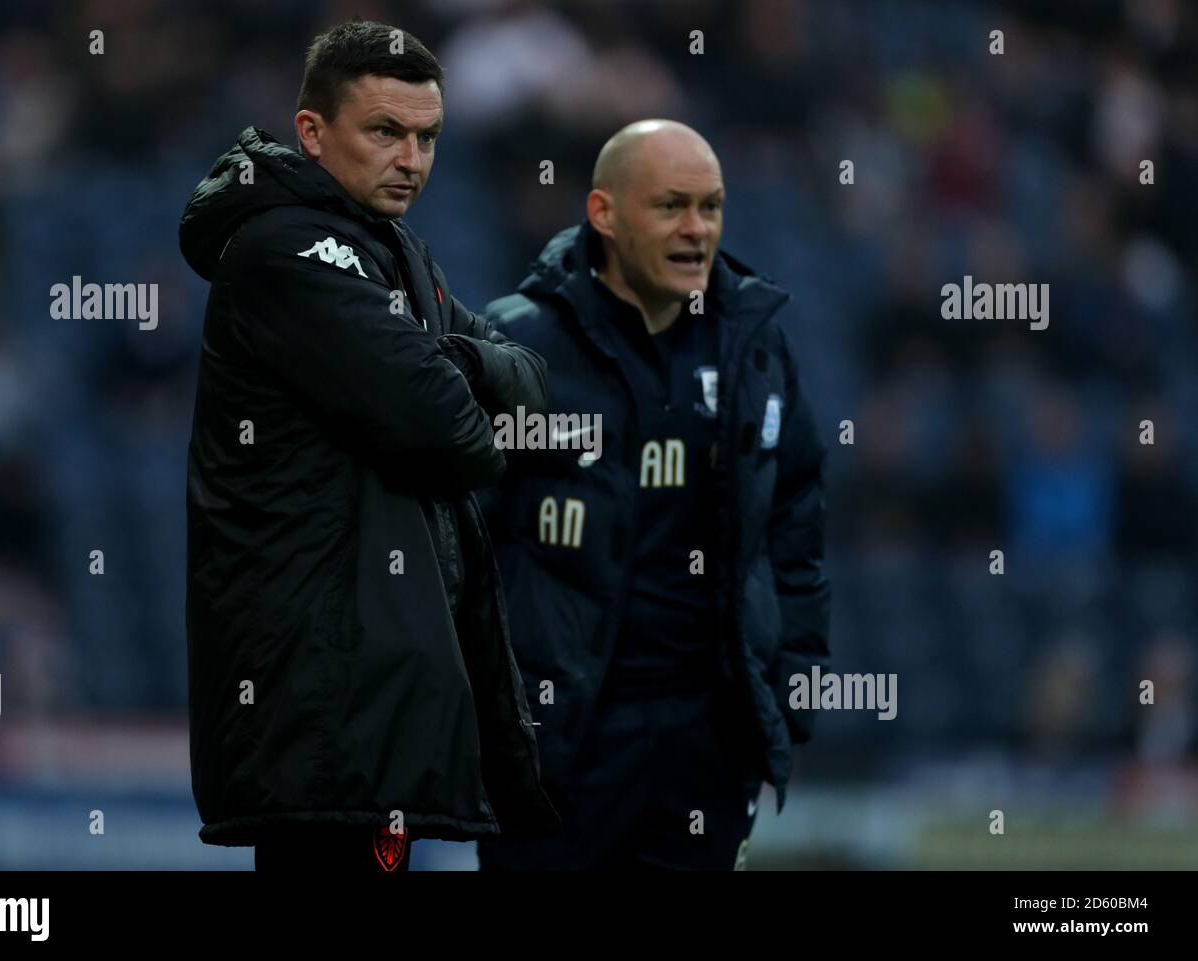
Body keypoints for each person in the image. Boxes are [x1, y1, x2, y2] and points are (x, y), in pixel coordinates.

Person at [180, 19, 559, 873]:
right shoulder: (288, 251)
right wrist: (461, 373)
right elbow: (453, 429)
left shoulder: (396, 255)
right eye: (385, 132)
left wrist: (450, 359)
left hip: (376, 701)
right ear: (313, 133)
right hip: (322, 701)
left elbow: (535, 387)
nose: (412, 160)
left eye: (427, 138)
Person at [476, 120, 830, 870]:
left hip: (705, 747)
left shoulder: (753, 348)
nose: (696, 230)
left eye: (711, 207)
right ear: (603, 214)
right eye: (671, 206)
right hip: (559, 749)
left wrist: (788, 684)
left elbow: (797, 521)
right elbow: (457, 541)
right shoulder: (519, 348)